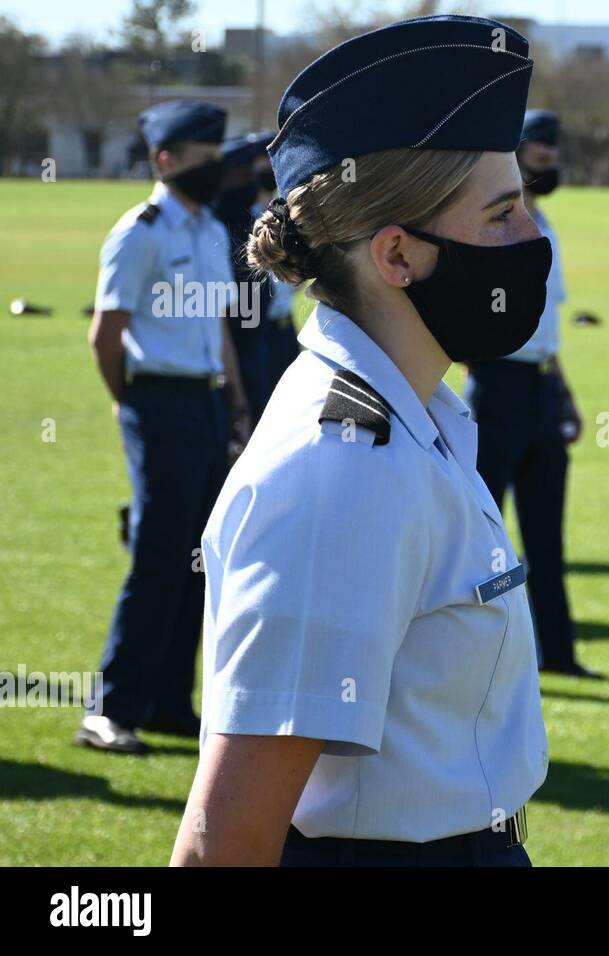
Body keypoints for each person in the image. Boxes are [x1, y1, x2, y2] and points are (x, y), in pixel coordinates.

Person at [170, 14, 549, 867]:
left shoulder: (416, 416)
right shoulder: (343, 471)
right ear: (397, 255)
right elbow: (223, 843)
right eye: (502, 214)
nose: (535, 241)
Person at [80, 100, 251, 755]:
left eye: (217, 158)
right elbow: (107, 333)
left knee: (199, 559)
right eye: (203, 160)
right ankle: (110, 708)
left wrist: (236, 404)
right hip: (158, 402)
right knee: (157, 556)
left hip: (206, 404)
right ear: (165, 160)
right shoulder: (140, 230)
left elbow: (220, 332)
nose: (214, 170)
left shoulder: (209, 230)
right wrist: (133, 404)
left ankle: (169, 701)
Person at [463, 108, 590, 677]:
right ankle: (481, 654)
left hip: (540, 387)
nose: (552, 162)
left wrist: (563, 391)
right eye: (542, 153)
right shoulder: (487, 225)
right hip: (497, 384)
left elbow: (548, 327)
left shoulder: (549, 230)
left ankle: (559, 656)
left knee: (547, 533)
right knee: (485, 536)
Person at [214, 130, 279, 425]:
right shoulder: (216, 228)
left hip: (261, 338)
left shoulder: (248, 218)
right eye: (244, 173)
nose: (252, 180)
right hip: (237, 344)